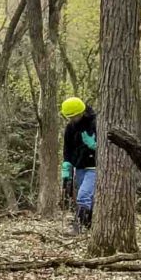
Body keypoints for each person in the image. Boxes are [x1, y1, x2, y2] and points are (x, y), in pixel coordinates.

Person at [61, 96, 97, 232]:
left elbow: (108, 145)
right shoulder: (70, 128)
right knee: (88, 197)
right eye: (69, 117)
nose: (72, 119)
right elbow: (67, 148)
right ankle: (89, 225)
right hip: (79, 166)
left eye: (74, 116)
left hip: (94, 166)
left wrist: (95, 146)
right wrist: (66, 165)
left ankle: (79, 226)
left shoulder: (96, 123)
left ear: (81, 112)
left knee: (84, 195)